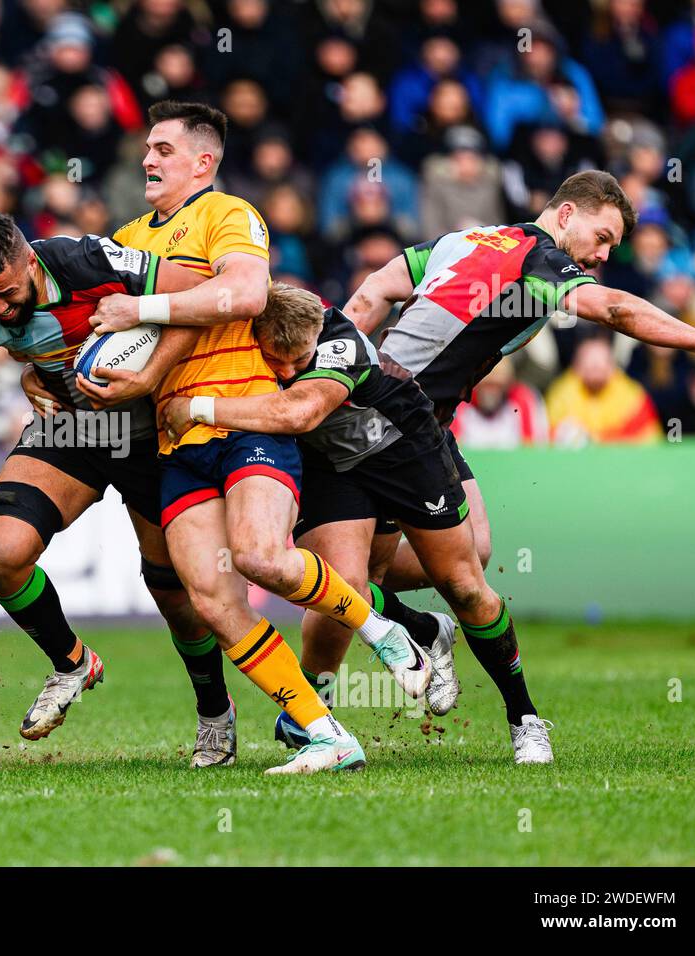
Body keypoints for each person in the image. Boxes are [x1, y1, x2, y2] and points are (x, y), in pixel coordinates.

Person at [54, 101, 426, 775]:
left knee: (260, 556)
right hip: (177, 437)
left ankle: (380, 628)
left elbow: (247, 294)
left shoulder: (228, 214)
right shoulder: (131, 235)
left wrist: (140, 306)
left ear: (203, 161)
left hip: (242, 413)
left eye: (163, 150)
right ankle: (327, 736)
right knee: (214, 604)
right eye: (146, 149)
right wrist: (52, 370)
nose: (147, 160)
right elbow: (99, 323)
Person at [340, 169, 695, 761]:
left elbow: (372, 294)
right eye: (601, 237)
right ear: (567, 213)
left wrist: (335, 368)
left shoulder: (464, 240)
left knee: (469, 558)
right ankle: (520, 717)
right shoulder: (535, 258)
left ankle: (424, 631)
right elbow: (615, 309)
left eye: (611, 249)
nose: (601, 255)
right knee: (438, 579)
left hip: (419, 419)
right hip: (389, 429)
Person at [0, 174, 241, 767]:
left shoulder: (87, 259)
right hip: (73, 428)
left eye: (4, 291)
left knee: (173, 590)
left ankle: (213, 713)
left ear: (28, 258)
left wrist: (150, 376)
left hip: (151, 432)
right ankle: (72, 661)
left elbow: (201, 293)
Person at [159, 285, 531, 758]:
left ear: (317, 333)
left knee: (464, 579)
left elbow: (299, 411)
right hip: (333, 468)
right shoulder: (249, 333)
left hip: (401, 451)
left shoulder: (339, 344)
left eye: (299, 360)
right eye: (279, 361)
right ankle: (328, 699)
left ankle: (524, 717)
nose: (290, 371)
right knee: (342, 584)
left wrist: (196, 408)